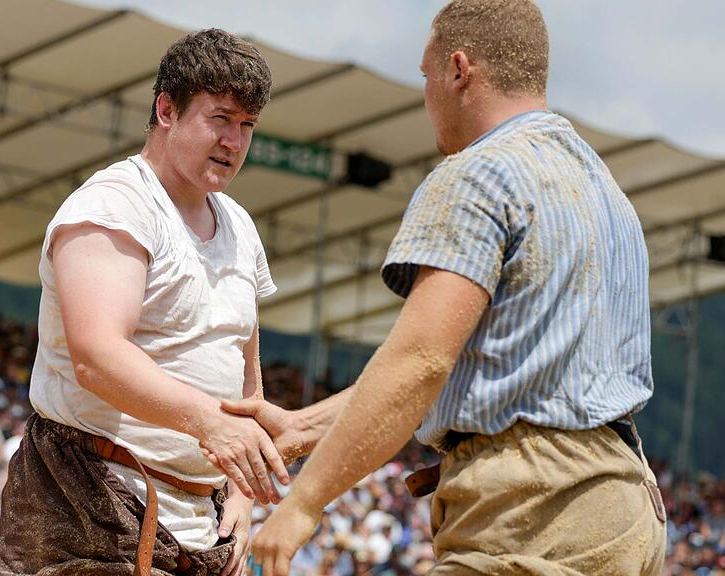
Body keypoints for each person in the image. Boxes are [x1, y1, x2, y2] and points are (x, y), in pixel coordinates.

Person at [237, 1, 666, 574]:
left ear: (458, 69)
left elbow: (421, 361)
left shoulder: (480, 173)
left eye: (425, 74)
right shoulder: (605, 192)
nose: (426, 94)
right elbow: (484, 368)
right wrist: (302, 429)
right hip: (623, 504)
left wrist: (304, 502)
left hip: (532, 508)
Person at [0, 28, 288, 576]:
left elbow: (243, 372)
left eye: (247, 126)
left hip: (203, 523)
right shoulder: (115, 205)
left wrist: (243, 494)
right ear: (167, 110)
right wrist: (210, 425)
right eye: (220, 118)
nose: (234, 141)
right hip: (88, 501)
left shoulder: (241, 226)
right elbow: (96, 355)